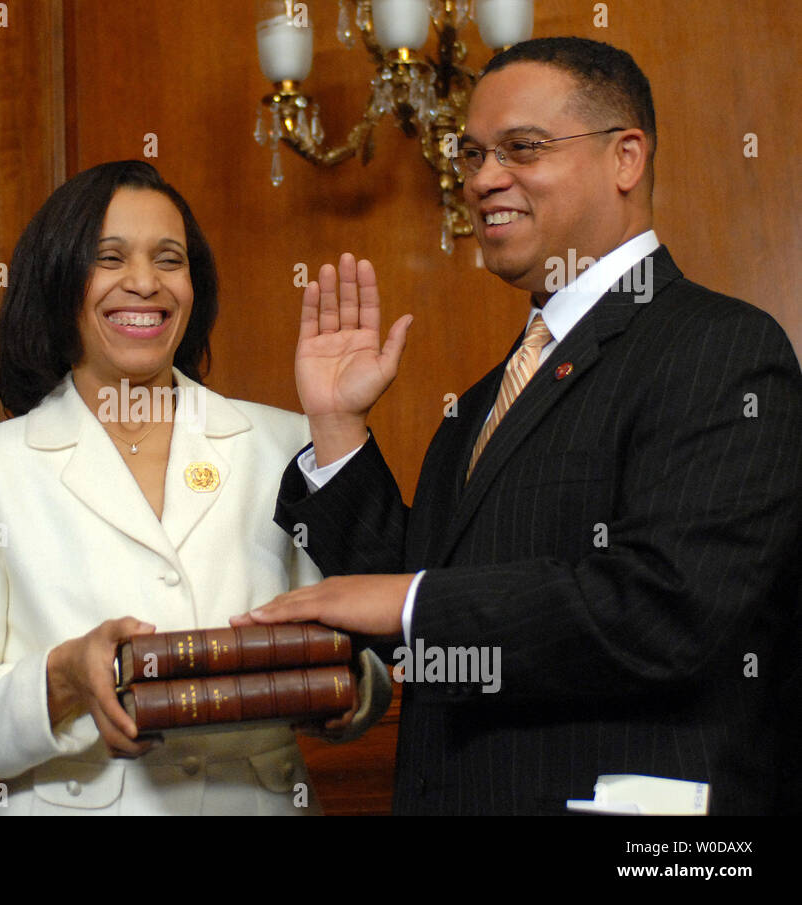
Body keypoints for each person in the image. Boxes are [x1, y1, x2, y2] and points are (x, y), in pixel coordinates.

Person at [236, 37, 802, 815]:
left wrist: (408, 606)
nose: (482, 180)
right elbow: (422, 607)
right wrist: (337, 428)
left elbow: (669, 610)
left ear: (625, 158)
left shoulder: (724, 349)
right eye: (471, 155)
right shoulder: (476, 405)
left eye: (521, 149)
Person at [0, 160, 391, 815]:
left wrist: (351, 693)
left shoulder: (285, 441)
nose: (144, 283)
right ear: (60, 282)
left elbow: (367, 645)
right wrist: (63, 678)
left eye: (169, 260)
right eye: (109, 258)